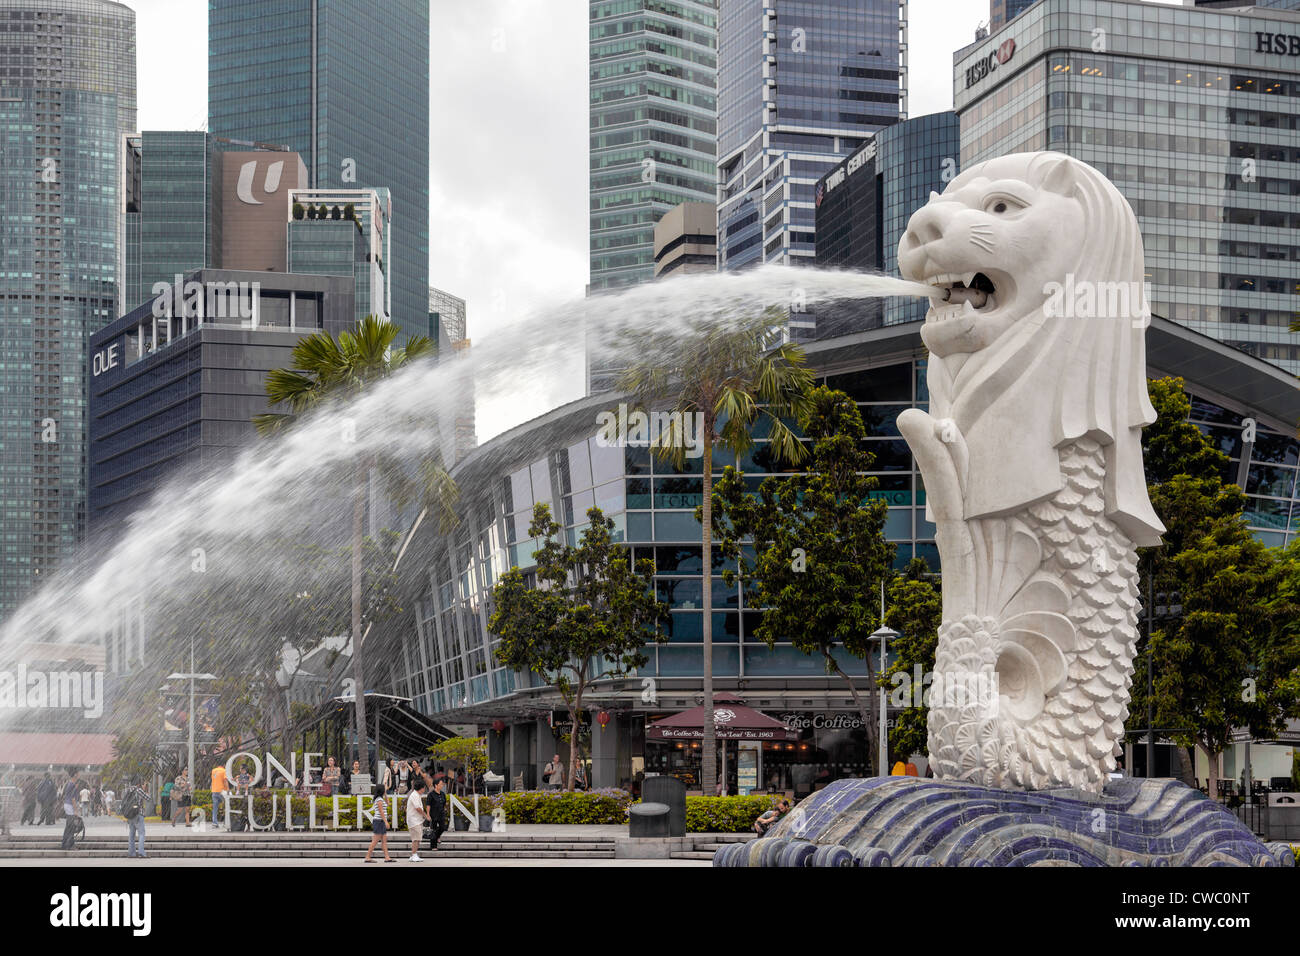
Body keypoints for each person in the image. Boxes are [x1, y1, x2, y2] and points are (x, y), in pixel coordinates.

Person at [364, 784, 394, 863]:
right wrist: (386, 822)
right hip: (379, 821)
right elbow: (381, 812)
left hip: (380, 821)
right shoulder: (379, 800)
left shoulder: (380, 798)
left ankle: (387, 857)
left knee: (384, 841)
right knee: (375, 840)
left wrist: (386, 794)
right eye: (384, 789)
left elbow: (388, 803)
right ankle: (367, 857)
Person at [122, 779, 149, 859]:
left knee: (131, 835)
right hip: (138, 814)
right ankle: (141, 852)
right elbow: (148, 798)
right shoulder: (139, 790)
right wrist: (145, 790)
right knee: (141, 833)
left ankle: (131, 853)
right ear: (139, 784)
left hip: (130, 815)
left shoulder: (128, 790)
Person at [406, 779, 429, 862]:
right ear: (421, 788)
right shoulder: (414, 795)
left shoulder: (416, 795)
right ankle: (414, 854)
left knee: (417, 838)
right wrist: (425, 816)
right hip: (414, 820)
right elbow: (418, 808)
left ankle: (414, 855)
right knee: (416, 839)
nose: (424, 790)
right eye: (424, 788)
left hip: (416, 820)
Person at [60, 769, 82, 850]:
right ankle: (69, 845)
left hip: (68, 805)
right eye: (78, 773)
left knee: (68, 827)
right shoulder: (72, 784)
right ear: (75, 774)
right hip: (70, 806)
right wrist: (76, 810)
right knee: (71, 827)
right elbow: (73, 798)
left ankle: (65, 844)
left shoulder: (70, 783)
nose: (79, 774)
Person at [426, 777, 447, 851]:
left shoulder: (443, 794)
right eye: (441, 784)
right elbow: (428, 805)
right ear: (436, 785)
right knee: (433, 830)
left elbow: (444, 803)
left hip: (441, 814)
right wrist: (428, 814)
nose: (442, 786)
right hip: (433, 815)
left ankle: (437, 837)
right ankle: (433, 846)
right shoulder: (431, 794)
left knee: (443, 827)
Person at [210, 761, 230, 829]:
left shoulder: (213, 770)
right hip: (222, 791)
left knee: (215, 808)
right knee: (226, 807)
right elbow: (225, 781)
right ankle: (226, 822)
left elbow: (213, 780)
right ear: (224, 765)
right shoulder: (224, 771)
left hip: (214, 791)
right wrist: (228, 790)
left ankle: (214, 823)